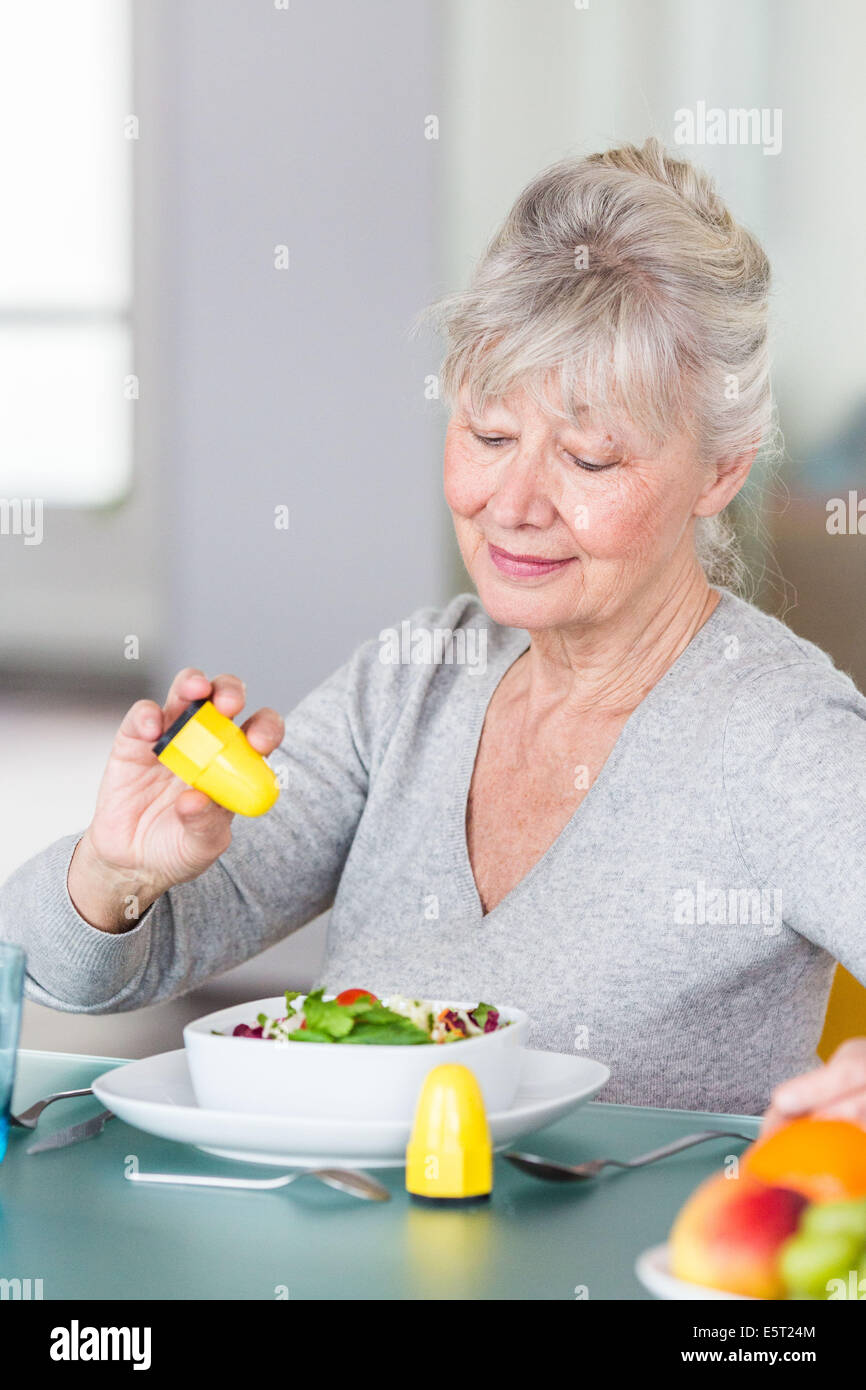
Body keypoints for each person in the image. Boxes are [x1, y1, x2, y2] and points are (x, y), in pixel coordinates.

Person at [3, 137, 865, 1122]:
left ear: (718, 471)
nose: (513, 502)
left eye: (588, 460)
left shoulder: (775, 735)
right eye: (489, 435)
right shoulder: (415, 680)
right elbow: (66, 975)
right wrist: (115, 868)